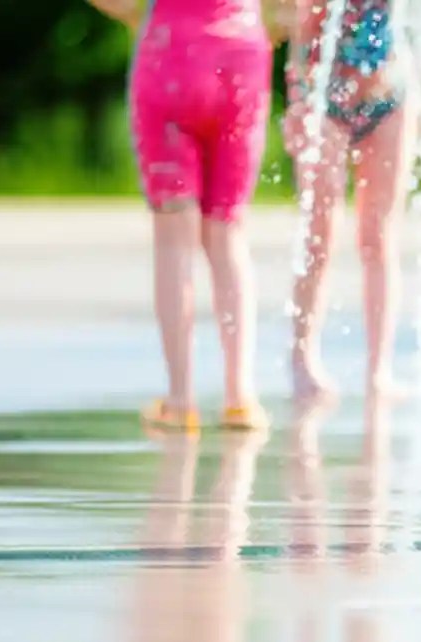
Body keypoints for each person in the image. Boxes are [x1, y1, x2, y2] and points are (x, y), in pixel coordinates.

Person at [85, 0, 277, 431]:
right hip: (241, 56)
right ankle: (239, 396)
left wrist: (138, 12)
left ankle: (180, 399)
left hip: (170, 53)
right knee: (227, 232)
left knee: (174, 238)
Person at [283, 0, 418, 402]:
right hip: (321, 95)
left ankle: (379, 369)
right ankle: (302, 356)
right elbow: (298, 24)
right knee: (318, 233)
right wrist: (296, 101)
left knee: (378, 236)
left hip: (389, 93)